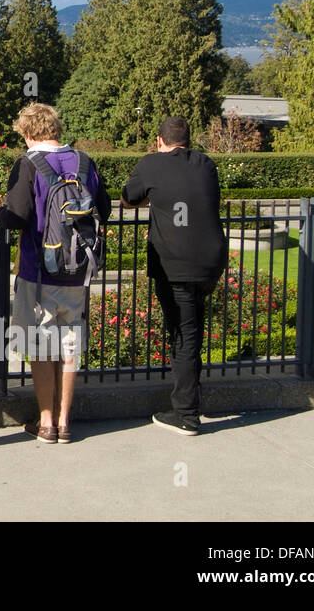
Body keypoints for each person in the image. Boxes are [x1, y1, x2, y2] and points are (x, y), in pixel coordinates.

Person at [0, 103, 111, 444]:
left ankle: (47, 422)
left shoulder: (29, 164)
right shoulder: (84, 161)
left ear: (28, 132)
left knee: (39, 347)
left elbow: (17, 218)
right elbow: (104, 208)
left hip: (38, 272)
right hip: (78, 273)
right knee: (69, 347)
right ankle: (66, 421)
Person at [121, 116, 227, 436]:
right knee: (190, 331)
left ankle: (186, 414)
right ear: (189, 141)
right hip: (210, 261)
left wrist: (152, 196)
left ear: (159, 141)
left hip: (175, 266)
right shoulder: (206, 164)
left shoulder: (152, 164)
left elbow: (127, 199)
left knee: (183, 334)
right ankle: (188, 401)